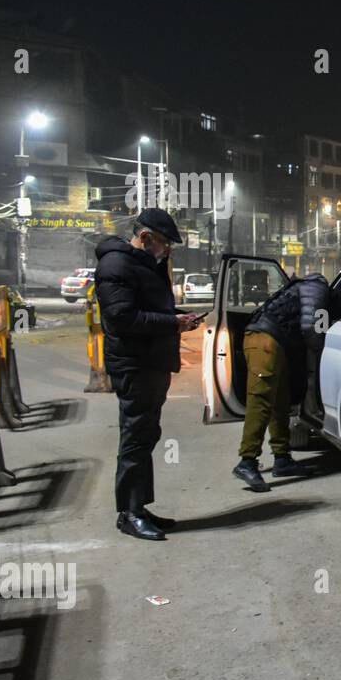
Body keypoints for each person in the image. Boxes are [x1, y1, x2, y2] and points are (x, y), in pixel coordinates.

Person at [95, 208, 199, 541]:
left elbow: (150, 310)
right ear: (145, 238)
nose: (167, 250)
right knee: (136, 436)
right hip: (134, 365)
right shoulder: (116, 265)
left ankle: (138, 505)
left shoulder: (142, 264)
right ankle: (129, 513)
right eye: (165, 244)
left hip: (150, 363)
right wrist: (172, 323)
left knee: (146, 435)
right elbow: (123, 318)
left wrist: (179, 318)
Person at [231, 272, 332, 492]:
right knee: (261, 402)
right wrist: (321, 352)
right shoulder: (318, 289)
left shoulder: (299, 287)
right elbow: (311, 326)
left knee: (280, 403)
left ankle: (282, 458)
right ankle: (247, 461)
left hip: (272, 342)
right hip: (265, 342)